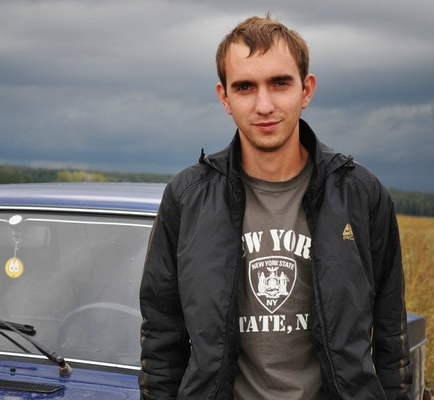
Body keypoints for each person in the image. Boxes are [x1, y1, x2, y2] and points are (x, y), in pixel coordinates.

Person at [139, 14, 411, 400]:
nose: (264, 105)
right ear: (224, 97)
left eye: (279, 83)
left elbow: (390, 335)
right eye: (245, 87)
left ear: (306, 89)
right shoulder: (187, 197)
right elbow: (161, 339)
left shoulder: (360, 195)